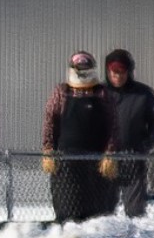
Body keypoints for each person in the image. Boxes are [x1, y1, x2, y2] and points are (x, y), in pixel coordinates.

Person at [42, 51, 118, 224]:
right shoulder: (61, 92)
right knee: (68, 210)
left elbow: (113, 126)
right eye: (79, 68)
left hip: (97, 162)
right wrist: (48, 149)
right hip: (66, 163)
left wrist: (110, 153)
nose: (82, 72)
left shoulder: (102, 93)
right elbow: (50, 122)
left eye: (86, 67)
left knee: (97, 213)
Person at [103, 49, 154, 218]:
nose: (117, 76)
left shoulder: (143, 94)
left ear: (129, 72)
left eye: (122, 72)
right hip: (104, 160)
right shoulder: (99, 93)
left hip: (133, 157)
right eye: (113, 72)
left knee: (135, 211)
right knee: (103, 213)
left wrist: (145, 146)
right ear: (107, 71)